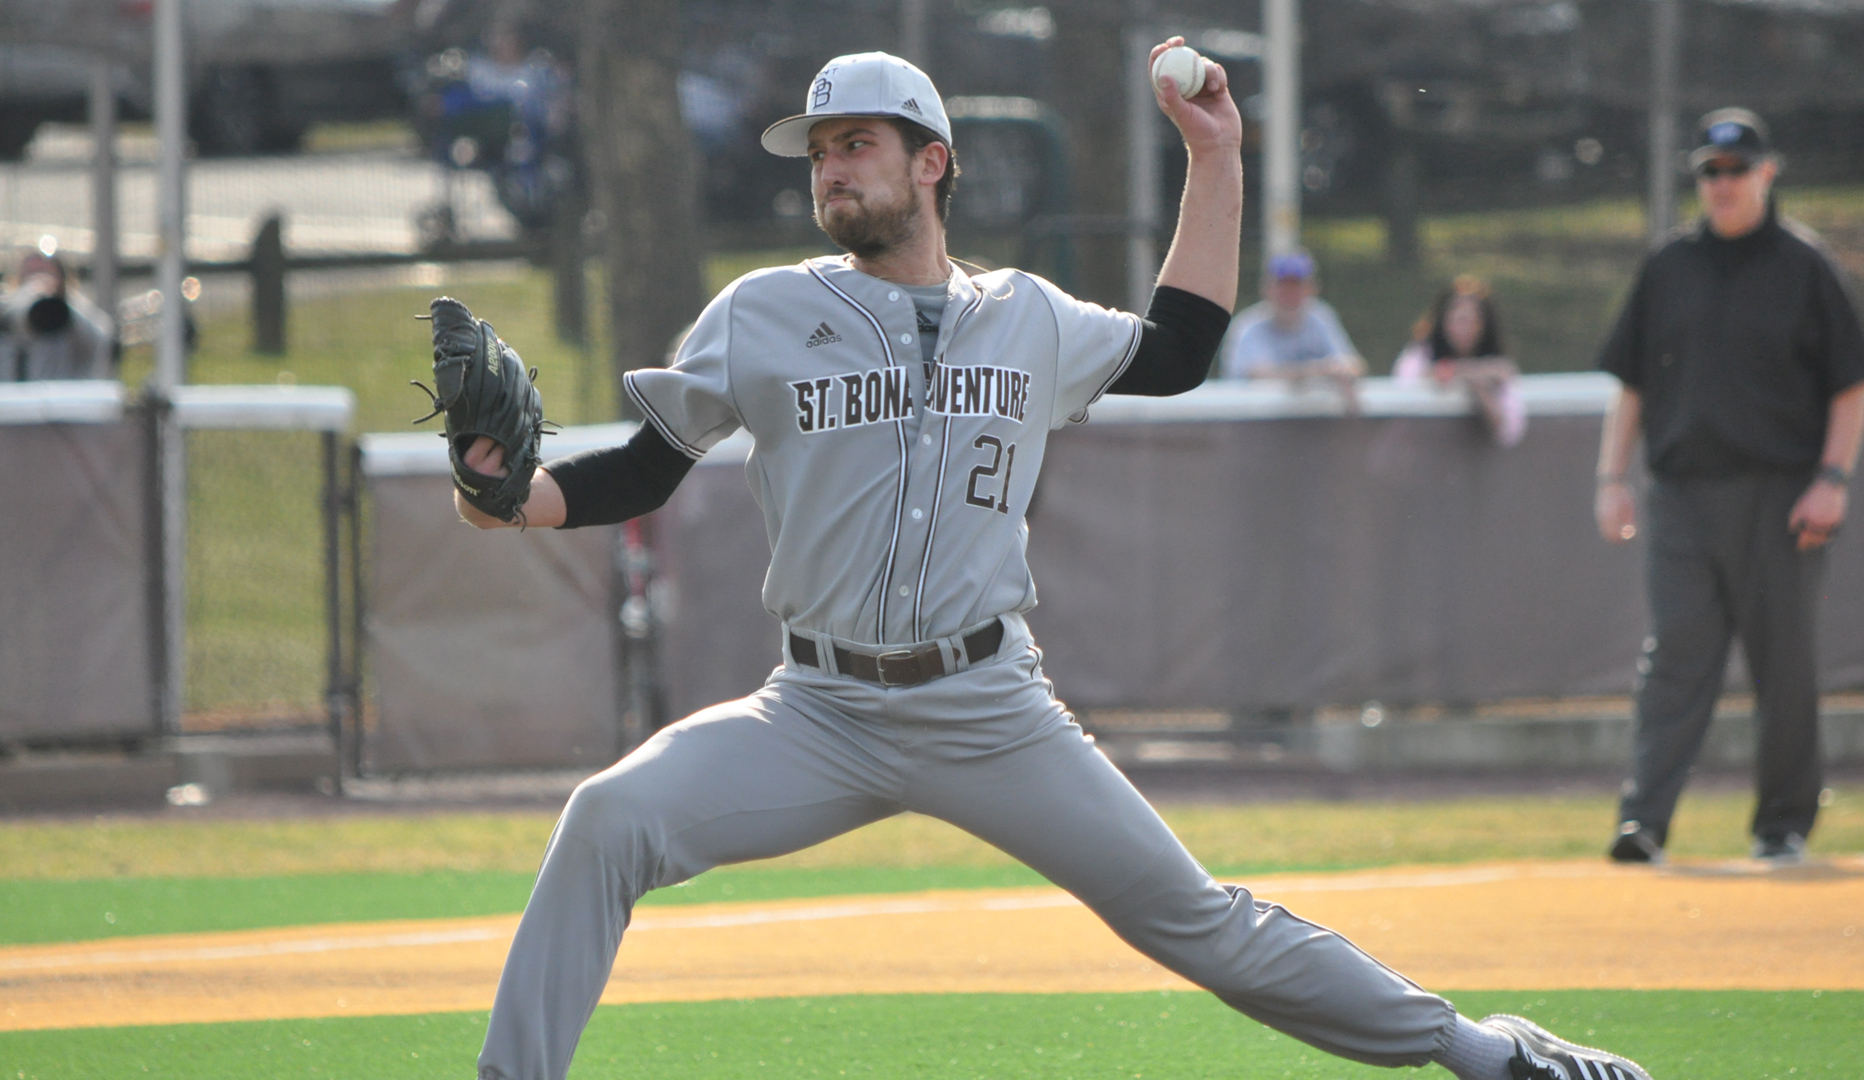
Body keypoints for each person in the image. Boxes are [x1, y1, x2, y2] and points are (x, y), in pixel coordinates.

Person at [454, 47, 1651, 1080]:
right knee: (607, 818)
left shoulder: (1028, 315)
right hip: (815, 709)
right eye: (817, 152)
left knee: (1196, 919)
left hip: (988, 706)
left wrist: (1215, 155)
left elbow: (1178, 351)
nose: (830, 169)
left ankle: (1486, 1054)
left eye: (855, 144)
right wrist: (509, 497)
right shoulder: (761, 312)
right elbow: (645, 469)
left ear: (932, 162)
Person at [1595, 107, 1864, 867]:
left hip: (1781, 494)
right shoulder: (1670, 266)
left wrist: (1833, 479)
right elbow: (1632, 385)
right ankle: (1643, 821)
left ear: (1766, 173)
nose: (1722, 184)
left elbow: (1850, 386)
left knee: (1785, 665)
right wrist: (1611, 478)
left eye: (1737, 170)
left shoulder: (1805, 267)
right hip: (1683, 492)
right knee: (1675, 656)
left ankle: (1782, 824)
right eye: (1710, 172)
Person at [1215, 249, 1365, 411]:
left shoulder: (1321, 318)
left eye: (1296, 286)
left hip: (1309, 418)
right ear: (1267, 288)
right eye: (1282, 285)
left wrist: (1343, 373)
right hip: (1253, 417)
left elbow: (1353, 364)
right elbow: (1255, 373)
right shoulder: (1248, 325)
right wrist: (1316, 371)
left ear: (1312, 288)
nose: (1289, 293)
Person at [1393, 276, 1527, 446]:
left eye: (1471, 321)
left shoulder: (1498, 365)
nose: (1463, 329)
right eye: (1457, 320)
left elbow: (1509, 431)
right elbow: (1403, 389)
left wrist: (1478, 388)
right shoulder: (1421, 354)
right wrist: (1456, 373)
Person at [0, 249, 114, 381]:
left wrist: (59, 305)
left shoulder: (77, 312)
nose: (37, 279)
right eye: (31, 272)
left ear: (61, 276)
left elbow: (103, 338)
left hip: (63, 389)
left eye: (45, 272)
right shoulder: (9, 311)